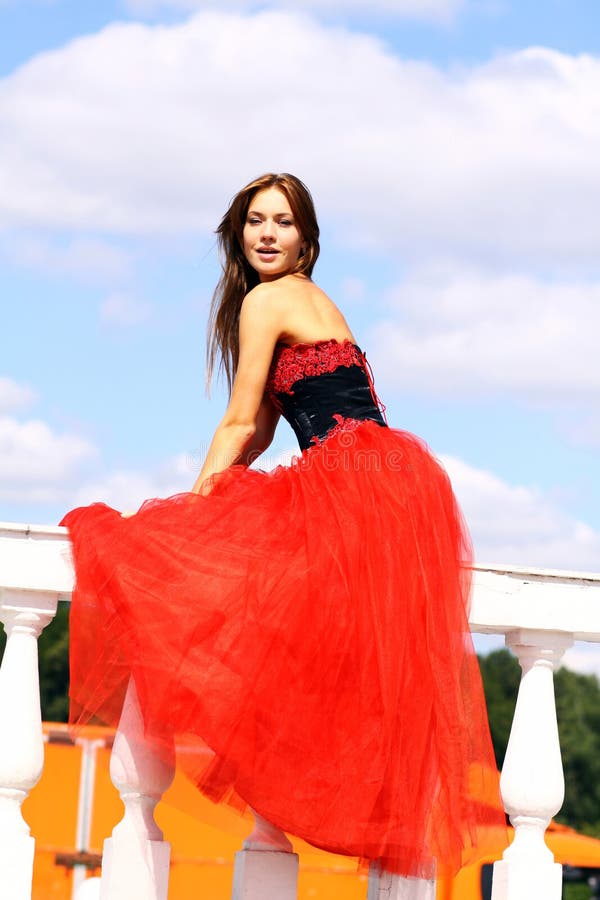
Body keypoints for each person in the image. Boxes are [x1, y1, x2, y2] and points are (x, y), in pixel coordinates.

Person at [62, 173, 505, 880]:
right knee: (338, 655)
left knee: (225, 593)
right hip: (394, 477)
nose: (267, 233)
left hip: (353, 476)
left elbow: (239, 422)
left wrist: (194, 514)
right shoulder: (313, 300)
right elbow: (267, 427)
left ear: (307, 239)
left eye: (284, 222)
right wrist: (214, 493)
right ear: (238, 231)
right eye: (255, 220)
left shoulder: (267, 300)